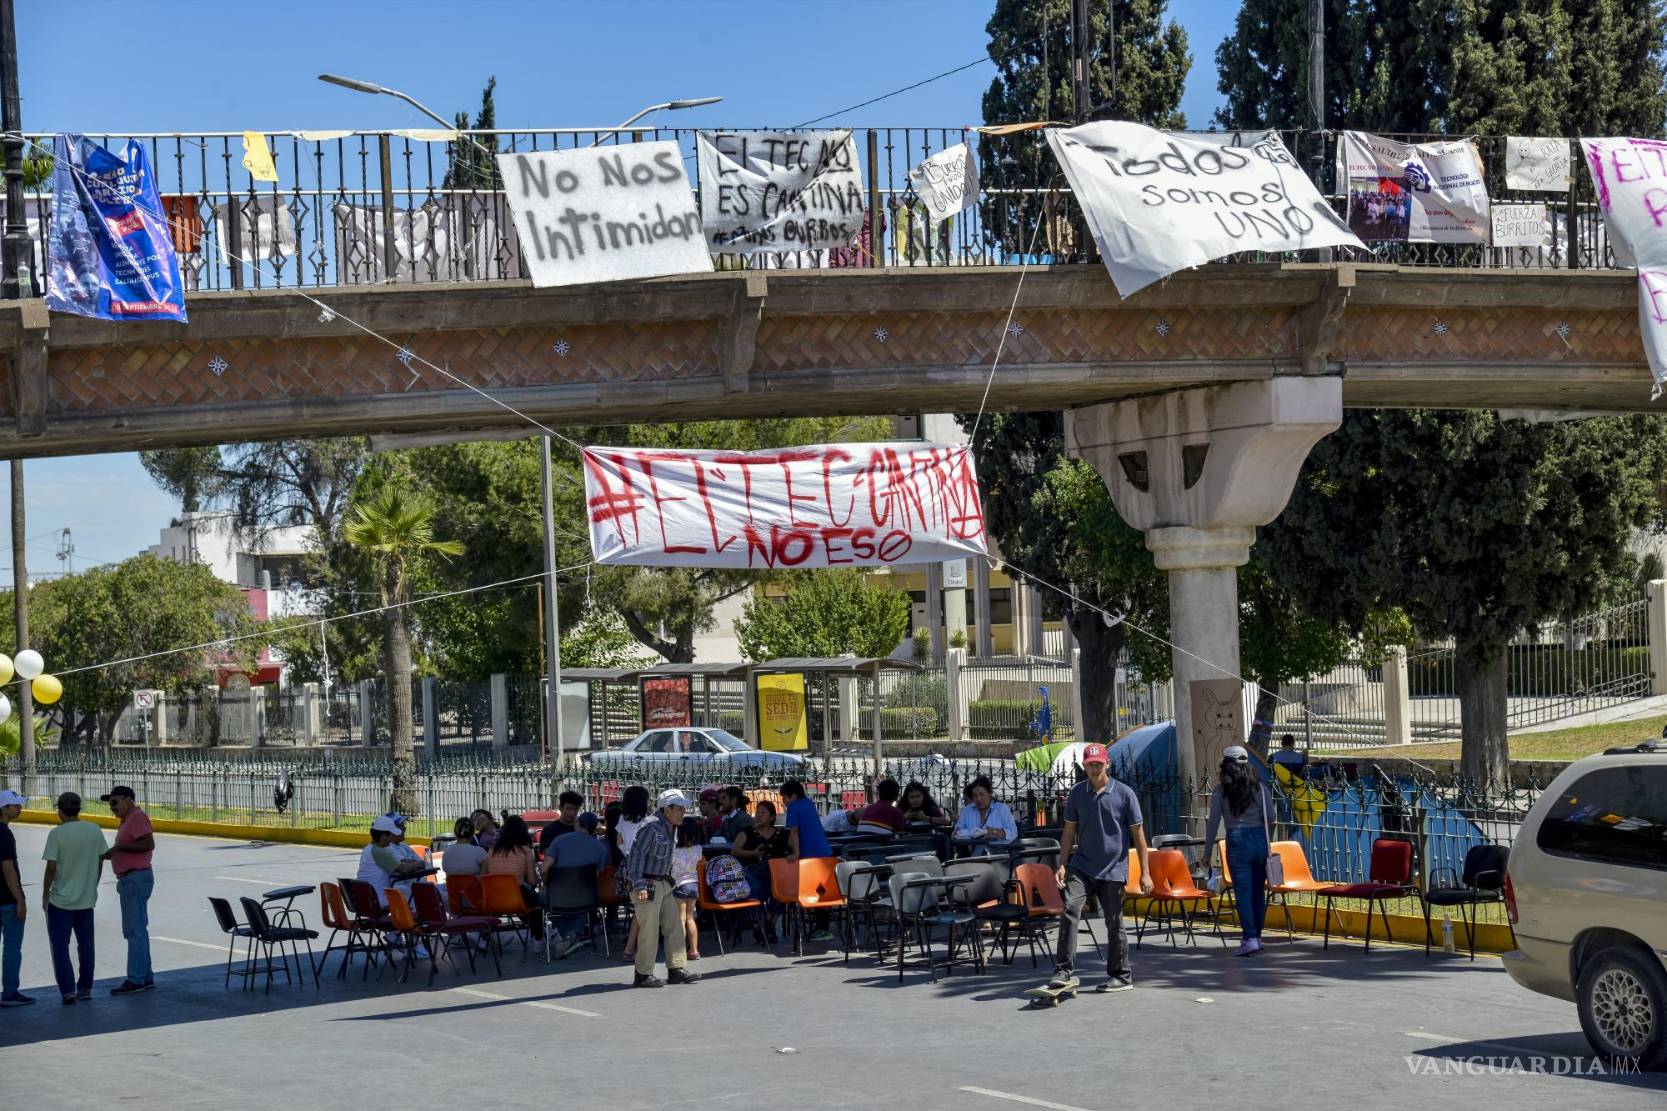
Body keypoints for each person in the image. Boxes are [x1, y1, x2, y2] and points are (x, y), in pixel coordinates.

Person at [1047, 744, 1151, 996]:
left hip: (1113, 867)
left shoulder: (1125, 794)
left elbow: (1139, 836)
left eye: (1098, 764)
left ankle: (1121, 975)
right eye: (1090, 765)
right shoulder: (1077, 793)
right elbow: (1068, 833)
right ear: (1084, 767)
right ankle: (1063, 971)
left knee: (1114, 921)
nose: (1095, 769)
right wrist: (1062, 865)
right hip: (1082, 865)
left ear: (1107, 764)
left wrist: (1145, 873)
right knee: (1070, 909)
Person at [624, 790, 700, 987]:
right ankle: (643, 974)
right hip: (647, 883)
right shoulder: (651, 826)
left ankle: (676, 969)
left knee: (674, 926)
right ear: (667, 810)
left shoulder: (670, 826)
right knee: (649, 930)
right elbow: (636, 856)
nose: (683, 812)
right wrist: (639, 884)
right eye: (680, 809)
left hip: (663, 883)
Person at [1204, 745, 1275, 957]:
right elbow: (1271, 817)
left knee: (1243, 892)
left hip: (1237, 840)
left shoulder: (1221, 791)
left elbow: (1213, 823)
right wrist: (1265, 839)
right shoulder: (1260, 788)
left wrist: (1207, 852)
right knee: (1258, 891)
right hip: (1260, 840)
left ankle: (1249, 938)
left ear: (1225, 766)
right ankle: (1257, 937)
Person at [40, 792, 107, 1005]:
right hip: (86, 900)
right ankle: (85, 988)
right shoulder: (94, 829)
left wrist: (45, 893)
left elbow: (51, 868)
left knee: (60, 947)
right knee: (86, 945)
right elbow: (100, 860)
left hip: (60, 901)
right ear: (78, 809)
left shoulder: (56, 834)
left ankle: (68, 991)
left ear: (60, 811)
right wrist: (91, 884)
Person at [101, 786, 157, 995]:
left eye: (115, 802)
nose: (112, 807)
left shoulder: (137, 817)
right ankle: (145, 976)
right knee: (138, 930)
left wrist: (119, 848)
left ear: (128, 800)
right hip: (132, 879)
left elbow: (148, 844)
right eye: (110, 804)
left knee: (134, 932)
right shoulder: (129, 819)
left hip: (135, 879)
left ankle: (136, 979)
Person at [780, 780, 834, 941]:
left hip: (811, 856)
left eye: (784, 797)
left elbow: (794, 832)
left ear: (793, 796)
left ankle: (822, 929)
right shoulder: (808, 803)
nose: (783, 801)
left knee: (815, 892)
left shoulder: (794, 807)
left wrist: (796, 853)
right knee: (822, 892)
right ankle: (823, 926)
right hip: (825, 853)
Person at [485, 814, 543, 941]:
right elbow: (532, 881)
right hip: (516, 897)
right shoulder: (525, 851)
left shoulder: (492, 850)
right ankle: (539, 938)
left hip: (493, 899)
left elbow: (486, 875)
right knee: (538, 902)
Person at [731, 799, 792, 909]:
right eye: (757, 812)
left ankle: (772, 916)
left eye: (763, 812)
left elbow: (795, 846)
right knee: (762, 876)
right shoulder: (748, 832)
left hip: (777, 874)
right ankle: (764, 915)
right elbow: (735, 850)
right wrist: (753, 853)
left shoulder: (782, 834)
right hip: (753, 872)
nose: (758, 815)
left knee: (775, 874)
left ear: (772, 817)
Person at [0, 788, 31, 1007]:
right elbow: (8, 868)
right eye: (16, 805)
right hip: (7, 900)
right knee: (12, 947)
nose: (20, 808)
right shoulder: (4, 833)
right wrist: (19, 899)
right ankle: (10, 993)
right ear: (3, 808)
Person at [615, 786, 651, 961]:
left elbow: (619, 842)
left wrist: (628, 853)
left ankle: (632, 948)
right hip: (646, 868)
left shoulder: (622, 818)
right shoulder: (650, 820)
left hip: (628, 866)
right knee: (643, 909)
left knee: (639, 908)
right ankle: (631, 949)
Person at [672, 816, 706, 960]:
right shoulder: (698, 849)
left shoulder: (675, 851)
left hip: (679, 885)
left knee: (681, 919)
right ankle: (694, 950)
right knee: (690, 918)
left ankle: (679, 951)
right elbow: (703, 862)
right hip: (693, 885)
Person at [954, 776, 1019, 846]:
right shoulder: (967, 810)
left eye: (981, 795)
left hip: (998, 850)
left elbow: (1013, 832)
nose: (978, 799)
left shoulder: (1002, 809)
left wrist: (994, 832)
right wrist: (973, 833)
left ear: (990, 793)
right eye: (975, 795)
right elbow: (957, 832)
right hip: (972, 851)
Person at [537, 792, 584, 856]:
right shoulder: (549, 830)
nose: (572, 813)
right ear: (560, 808)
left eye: (576, 809)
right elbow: (549, 856)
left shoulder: (583, 829)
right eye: (569, 809)